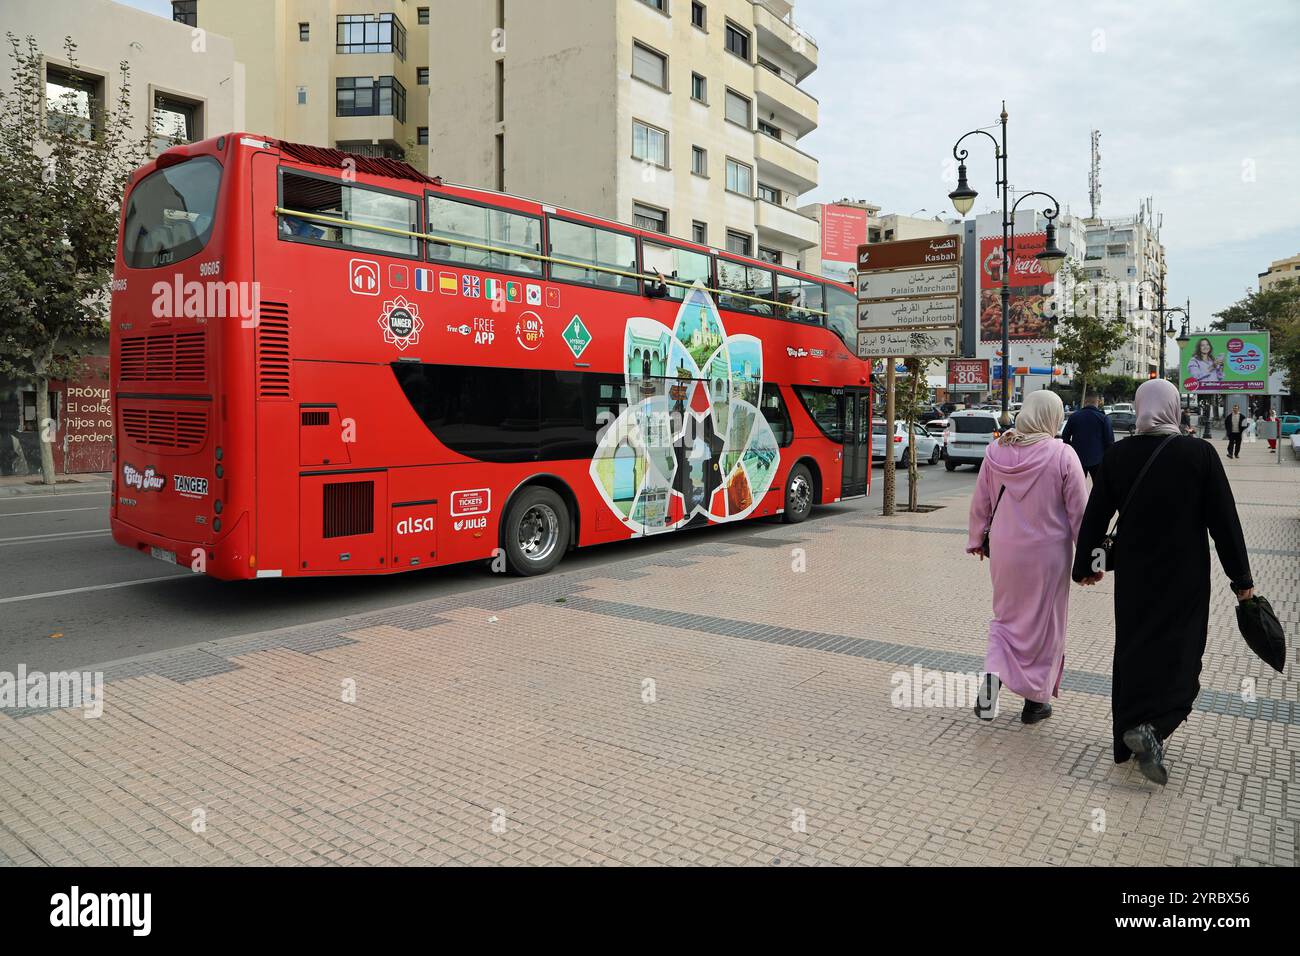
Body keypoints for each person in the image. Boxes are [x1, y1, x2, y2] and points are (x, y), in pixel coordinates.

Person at [1073, 379, 1253, 785]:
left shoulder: (1118, 456)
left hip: (1136, 575)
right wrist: (1242, 580)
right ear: (1175, 407)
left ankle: (1127, 738)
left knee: (1134, 650)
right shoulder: (1200, 454)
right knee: (1183, 654)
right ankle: (1154, 728)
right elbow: (1224, 523)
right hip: (1184, 574)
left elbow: (1095, 516)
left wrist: (1083, 565)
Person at [966, 390, 1088, 724]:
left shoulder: (996, 452)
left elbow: (981, 502)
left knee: (1005, 620)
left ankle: (991, 687)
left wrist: (977, 538)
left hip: (1005, 553)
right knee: (1045, 626)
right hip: (1048, 557)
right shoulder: (1063, 455)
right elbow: (1080, 514)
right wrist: (1091, 560)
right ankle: (1035, 703)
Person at [1060, 394, 1115, 480]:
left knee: (1077, 487)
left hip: (1077, 459)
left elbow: (1065, 438)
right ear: (1097, 402)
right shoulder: (1103, 418)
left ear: (1085, 402)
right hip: (1098, 459)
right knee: (1098, 487)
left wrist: (1072, 448)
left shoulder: (1074, 417)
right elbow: (1110, 441)